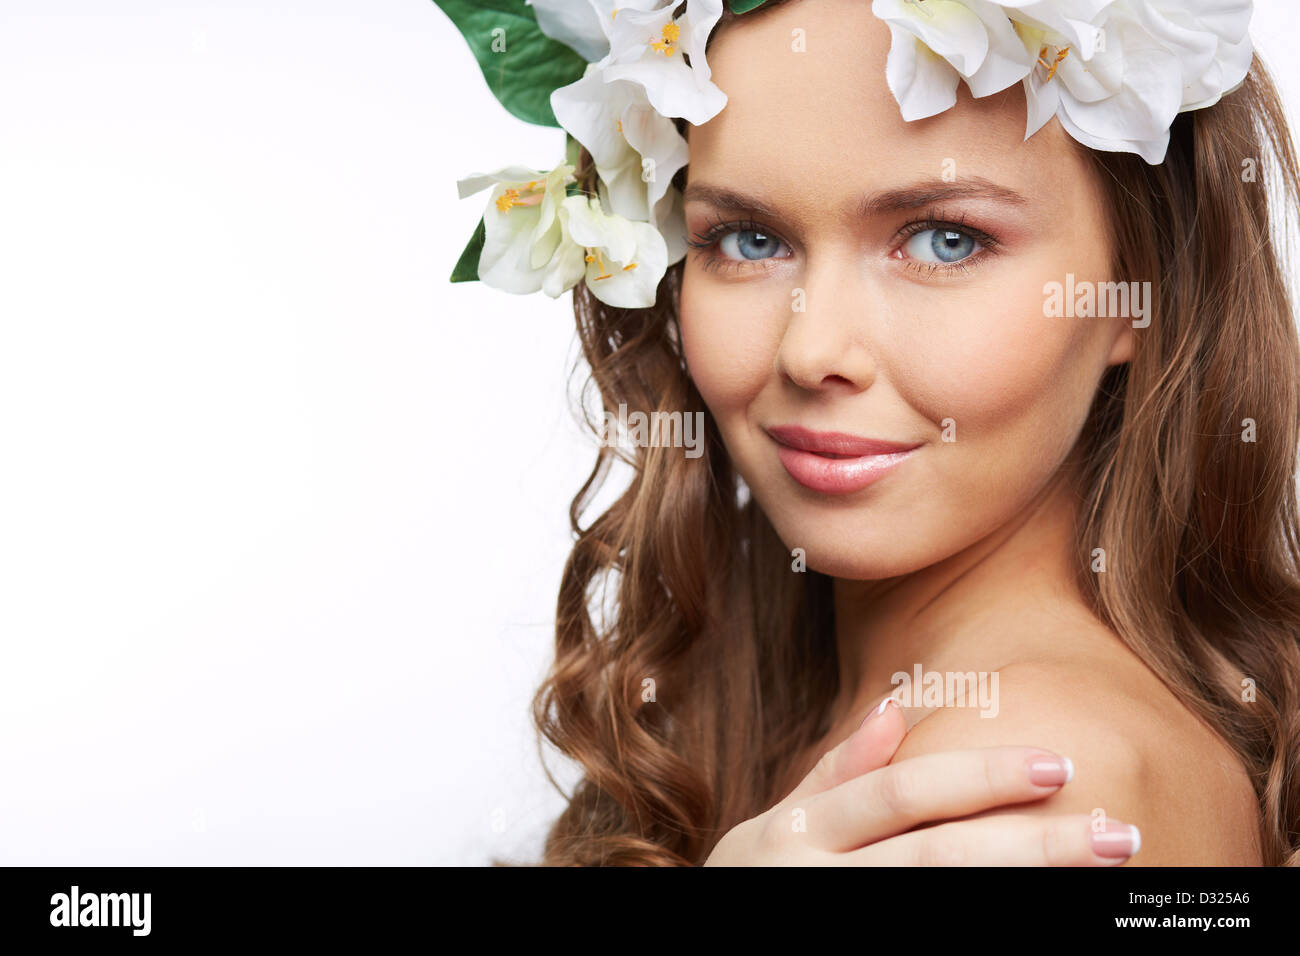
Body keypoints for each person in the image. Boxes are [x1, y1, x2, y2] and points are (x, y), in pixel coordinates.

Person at [446, 0, 1300, 866]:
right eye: (746, 240)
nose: (812, 350)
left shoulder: (1009, 785)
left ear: (1138, 288)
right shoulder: (811, 720)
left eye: (944, 240)